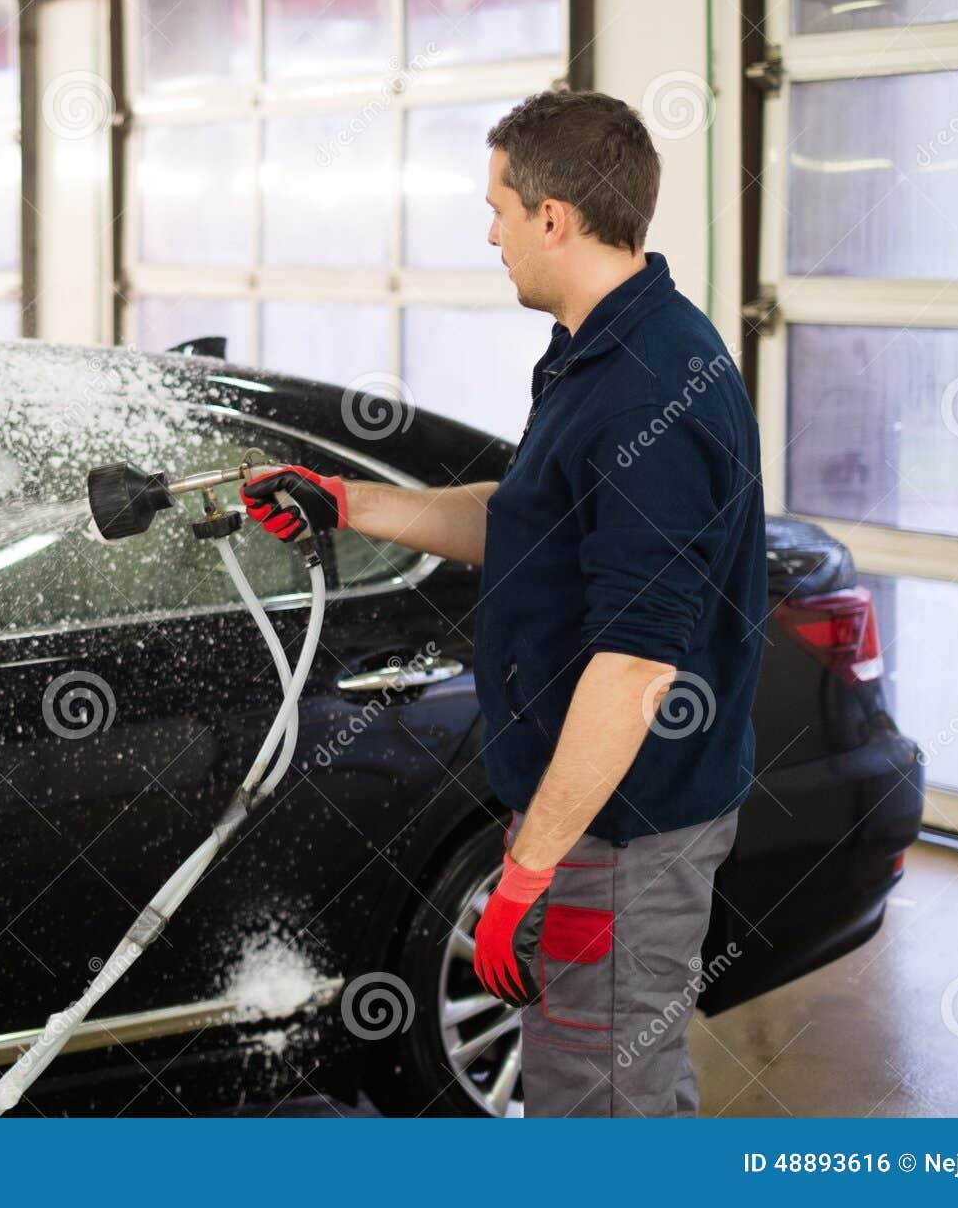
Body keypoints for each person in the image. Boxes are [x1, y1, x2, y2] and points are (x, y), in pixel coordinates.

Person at [240, 90, 767, 1118]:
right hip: (588, 820)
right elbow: (526, 517)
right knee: (615, 1086)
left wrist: (524, 872)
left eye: (498, 208)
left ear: (553, 218)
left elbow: (636, 667)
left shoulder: (651, 385)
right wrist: (347, 501)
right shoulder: (596, 350)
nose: (490, 232)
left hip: (626, 831)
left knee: (592, 1100)